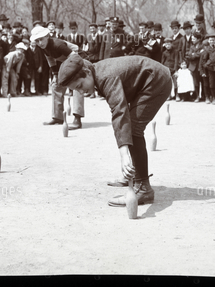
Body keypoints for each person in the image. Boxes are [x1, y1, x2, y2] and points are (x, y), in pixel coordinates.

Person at [57, 53, 172, 207]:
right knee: (129, 126)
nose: (81, 91)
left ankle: (143, 188)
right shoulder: (96, 73)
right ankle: (134, 175)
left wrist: (123, 155)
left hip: (157, 81)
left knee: (133, 129)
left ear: (87, 72)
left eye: (79, 86)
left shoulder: (106, 77)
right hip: (146, 81)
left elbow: (119, 112)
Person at [30, 25, 85, 129]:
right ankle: (58, 117)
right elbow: (50, 59)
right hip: (67, 61)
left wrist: (70, 74)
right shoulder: (43, 47)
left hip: (79, 59)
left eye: (41, 39)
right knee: (56, 85)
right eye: (37, 41)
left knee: (77, 85)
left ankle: (77, 119)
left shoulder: (58, 44)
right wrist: (55, 75)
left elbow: (74, 57)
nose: (40, 43)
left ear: (47, 36)